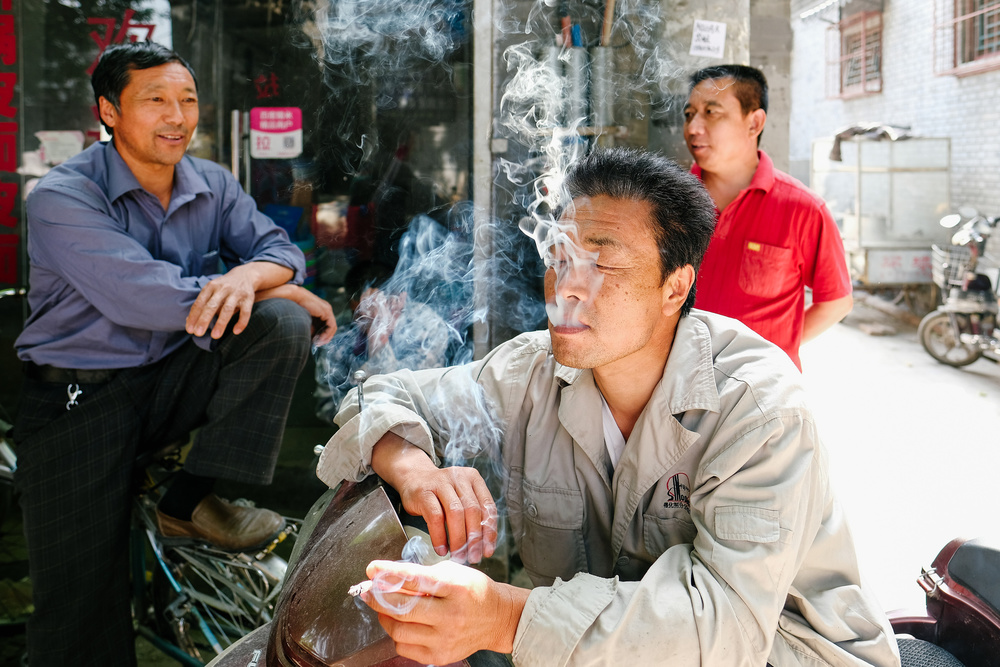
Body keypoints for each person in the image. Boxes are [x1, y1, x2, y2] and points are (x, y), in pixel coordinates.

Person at [316, 148, 901, 666]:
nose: (567, 286)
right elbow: (384, 395)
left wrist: (501, 617)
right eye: (561, 258)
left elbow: (722, 632)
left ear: (675, 287)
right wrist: (414, 467)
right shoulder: (534, 370)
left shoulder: (758, 408)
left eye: (604, 263)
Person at [12, 41, 336, 667]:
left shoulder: (211, 181)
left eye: (187, 100)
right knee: (79, 617)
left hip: (168, 381)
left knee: (278, 320)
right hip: (77, 403)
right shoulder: (61, 196)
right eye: (155, 100)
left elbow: (278, 247)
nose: (177, 116)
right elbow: (142, 298)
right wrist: (269, 278)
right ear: (109, 112)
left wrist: (257, 278)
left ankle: (187, 502)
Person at [683, 64, 853, 370]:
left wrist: (773, 348)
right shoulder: (669, 202)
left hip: (761, 397)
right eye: (689, 114)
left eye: (711, 112)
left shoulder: (802, 209)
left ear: (754, 123)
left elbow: (836, 302)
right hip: (676, 383)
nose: (694, 127)